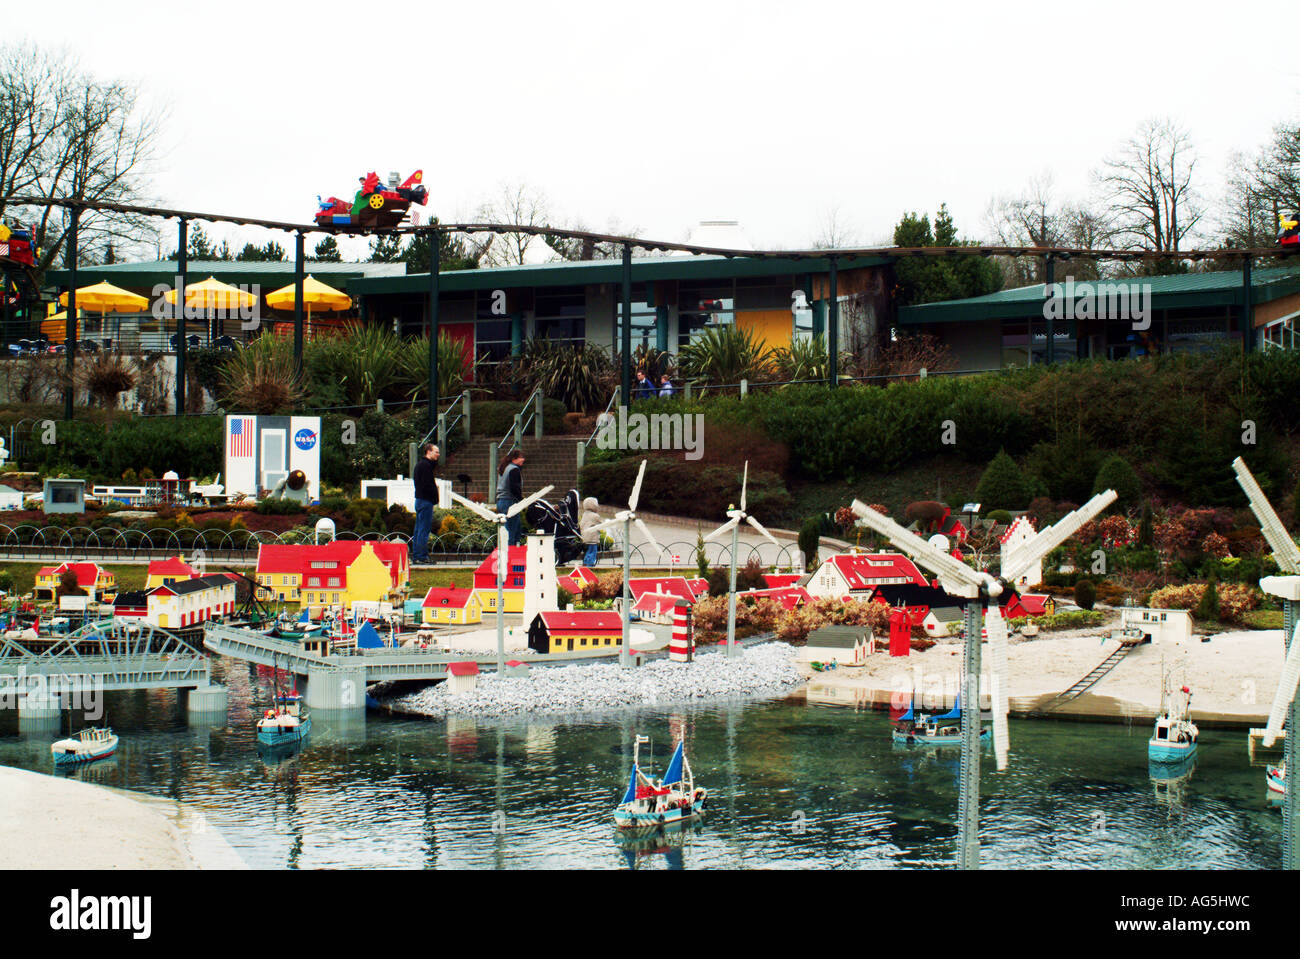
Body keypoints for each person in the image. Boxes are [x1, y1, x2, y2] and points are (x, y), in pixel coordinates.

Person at [411, 442, 440, 564]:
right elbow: (427, 485)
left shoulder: (421, 465)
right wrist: (434, 496)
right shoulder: (425, 466)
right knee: (423, 529)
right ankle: (421, 556)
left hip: (420, 500)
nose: (438, 454)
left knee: (419, 529)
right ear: (429, 451)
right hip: (425, 501)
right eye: (436, 452)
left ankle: (417, 555)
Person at [497, 449, 526, 546]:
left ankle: (507, 553)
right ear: (514, 459)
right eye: (521, 457)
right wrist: (522, 501)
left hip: (501, 501)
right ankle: (510, 555)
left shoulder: (505, 468)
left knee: (507, 530)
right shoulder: (514, 469)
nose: (523, 459)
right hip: (510, 502)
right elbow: (515, 488)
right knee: (512, 532)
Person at [578, 496, 602, 566]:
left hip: (585, 537)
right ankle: (589, 565)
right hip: (592, 538)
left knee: (587, 551)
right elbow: (600, 524)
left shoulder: (584, 515)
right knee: (592, 551)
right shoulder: (595, 516)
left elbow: (581, 525)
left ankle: (585, 562)